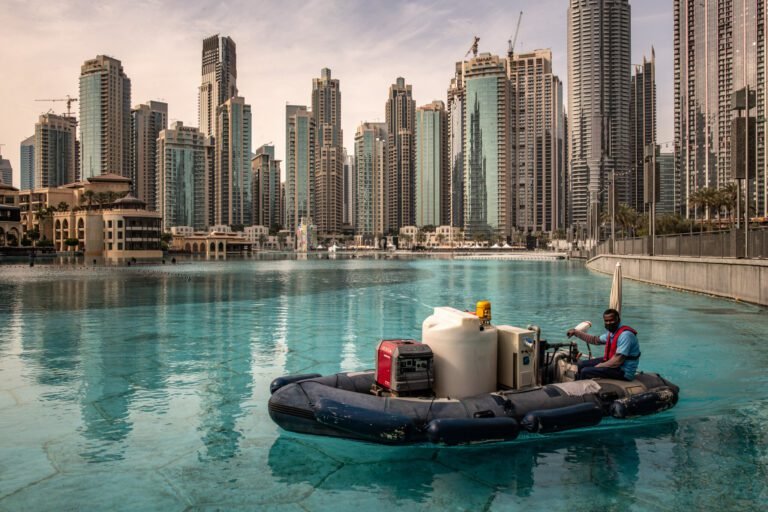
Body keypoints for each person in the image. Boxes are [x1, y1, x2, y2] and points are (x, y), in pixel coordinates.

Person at [566, 308, 641, 381]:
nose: (609, 323)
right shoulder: (612, 333)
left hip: (624, 371)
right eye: (606, 321)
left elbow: (617, 361)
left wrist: (600, 366)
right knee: (581, 365)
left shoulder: (625, 335)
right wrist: (576, 332)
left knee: (585, 371)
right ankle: (578, 383)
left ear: (618, 320)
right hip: (614, 363)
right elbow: (595, 340)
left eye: (611, 320)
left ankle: (583, 387)